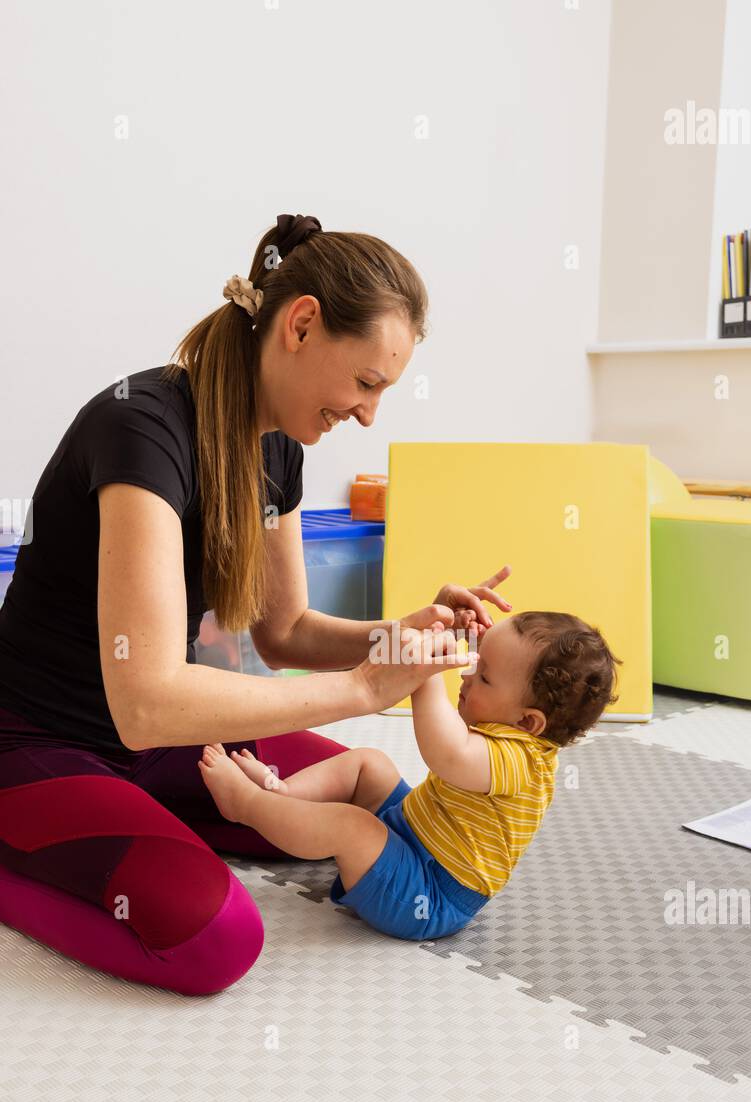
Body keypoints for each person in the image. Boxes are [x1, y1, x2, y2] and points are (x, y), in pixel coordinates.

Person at [0, 211, 510, 995]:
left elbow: (286, 631)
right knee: (215, 939)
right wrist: (365, 690)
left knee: (356, 806)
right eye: (367, 382)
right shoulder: (142, 428)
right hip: (39, 742)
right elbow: (145, 701)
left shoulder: (276, 448)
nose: (370, 414)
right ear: (301, 324)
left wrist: (396, 639)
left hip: (163, 743)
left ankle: (134, 819)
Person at [197, 612, 621, 941]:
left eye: (485, 677)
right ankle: (282, 792)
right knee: (370, 763)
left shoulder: (521, 760)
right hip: (414, 835)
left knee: (354, 826)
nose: (467, 675)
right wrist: (452, 633)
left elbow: (446, 753)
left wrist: (424, 677)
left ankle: (248, 806)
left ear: (529, 723)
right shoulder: (509, 727)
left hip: (430, 893)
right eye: (476, 660)